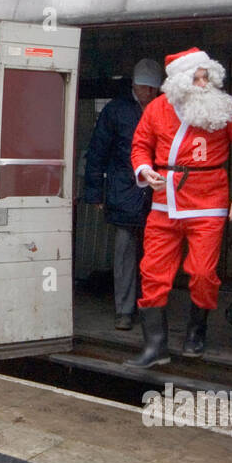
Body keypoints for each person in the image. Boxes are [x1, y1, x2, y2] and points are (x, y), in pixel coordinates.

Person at [128, 47, 232, 367]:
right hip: (165, 202)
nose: (204, 83)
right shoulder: (158, 108)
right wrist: (144, 170)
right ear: (180, 81)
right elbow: (140, 146)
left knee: (202, 274)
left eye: (207, 76)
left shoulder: (225, 108)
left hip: (208, 203)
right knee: (152, 273)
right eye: (197, 77)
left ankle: (195, 332)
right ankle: (155, 346)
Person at [82, 59, 163, 330]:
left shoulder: (165, 109)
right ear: (134, 85)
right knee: (125, 250)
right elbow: (97, 152)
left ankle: (150, 307)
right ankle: (125, 310)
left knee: (156, 253)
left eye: (153, 89)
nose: (148, 94)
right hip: (123, 190)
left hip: (158, 193)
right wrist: (94, 193)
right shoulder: (115, 111)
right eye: (143, 88)